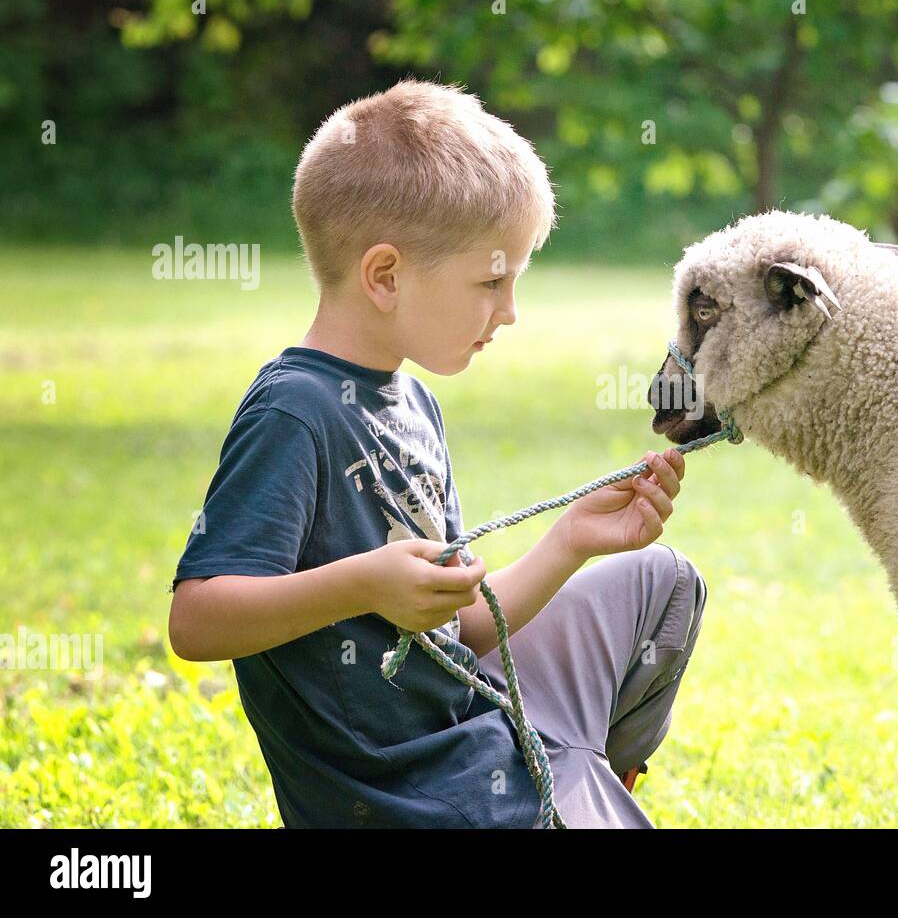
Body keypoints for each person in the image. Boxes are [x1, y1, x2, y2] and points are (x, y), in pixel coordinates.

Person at [169, 80, 708, 828]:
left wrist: (572, 538)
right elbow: (196, 619)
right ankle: (569, 798)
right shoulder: (295, 411)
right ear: (385, 276)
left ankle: (577, 785)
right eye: (492, 280)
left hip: (481, 736)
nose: (510, 310)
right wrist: (361, 585)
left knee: (664, 582)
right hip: (419, 799)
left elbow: (461, 635)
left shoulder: (415, 405)